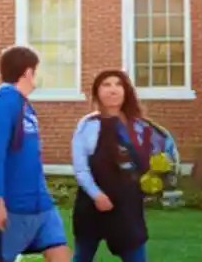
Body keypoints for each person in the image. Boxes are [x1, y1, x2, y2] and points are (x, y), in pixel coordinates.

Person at [0, 45, 71, 262]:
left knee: (59, 251)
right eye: (36, 71)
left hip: (39, 203)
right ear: (28, 72)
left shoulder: (25, 106)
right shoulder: (4, 102)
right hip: (9, 205)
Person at [70, 70, 157, 262]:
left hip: (128, 208)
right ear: (97, 92)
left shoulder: (139, 126)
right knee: (82, 256)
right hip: (92, 206)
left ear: (126, 91)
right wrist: (97, 195)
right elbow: (80, 168)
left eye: (118, 84)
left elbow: (149, 162)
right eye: (106, 85)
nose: (113, 90)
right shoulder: (87, 125)